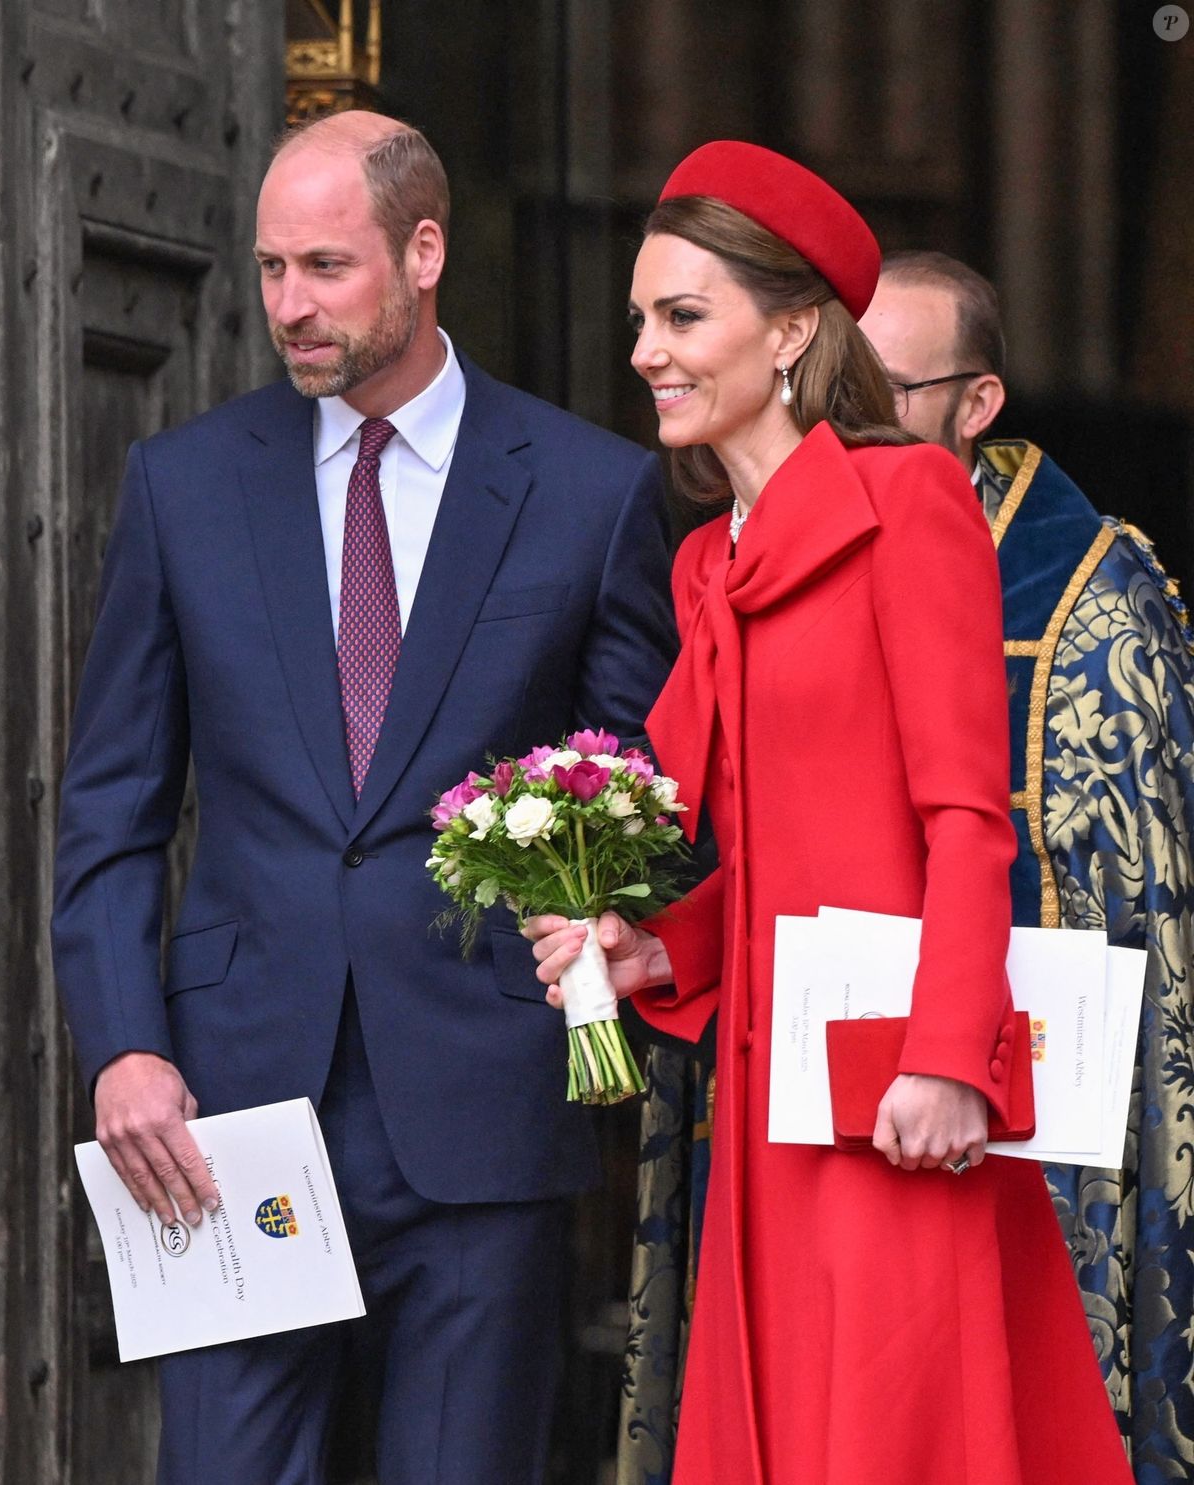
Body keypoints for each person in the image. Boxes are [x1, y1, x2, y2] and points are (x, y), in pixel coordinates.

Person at [51, 110, 677, 1485]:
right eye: (272, 268)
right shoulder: (185, 485)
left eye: (325, 267)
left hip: (486, 1108)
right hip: (227, 1118)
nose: (289, 305)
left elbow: (645, 793)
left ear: (425, 251)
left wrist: (608, 936)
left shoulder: (589, 493)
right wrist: (122, 1044)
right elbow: (110, 804)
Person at [528, 142, 1132, 1484]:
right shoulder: (706, 560)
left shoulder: (907, 503)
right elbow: (767, 861)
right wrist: (652, 949)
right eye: (641, 318)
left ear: (796, 326)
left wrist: (943, 1058)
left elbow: (970, 819)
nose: (646, 352)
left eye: (683, 316)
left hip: (890, 1094)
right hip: (761, 1107)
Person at [857, 250, 1194, 1471]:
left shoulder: (1095, 604)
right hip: (830, 1085)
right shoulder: (775, 546)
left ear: (976, 402)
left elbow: (1138, 887)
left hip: (1035, 1095)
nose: (855, 419)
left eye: (889, 388)